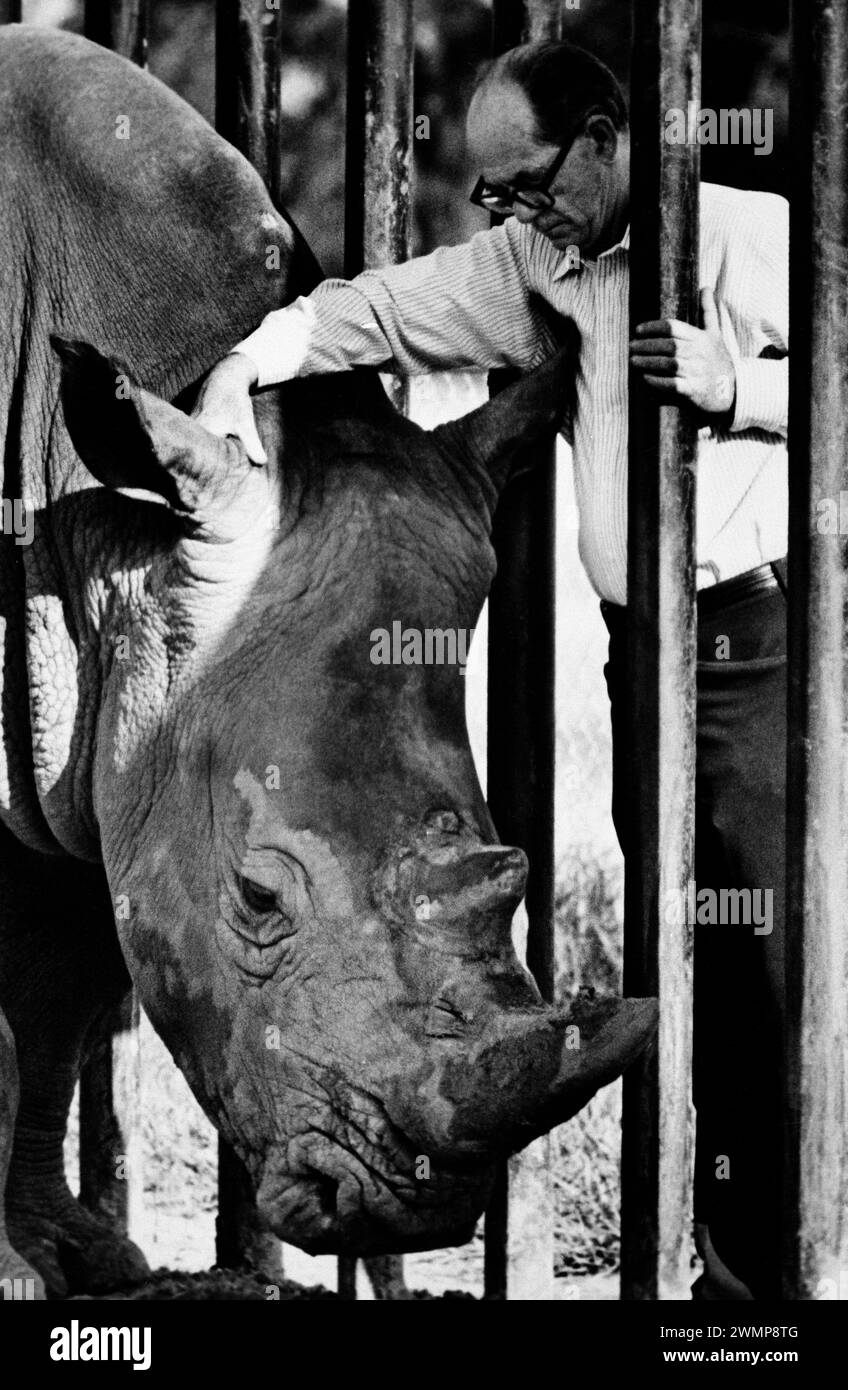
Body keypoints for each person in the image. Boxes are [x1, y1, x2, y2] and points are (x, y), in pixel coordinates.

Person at [194, 40, 789, 1301]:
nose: (512, 212)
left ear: (604, 136)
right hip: (645, 654)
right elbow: (395, 304)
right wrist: (265, 352)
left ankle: (797, 1249)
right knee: (681, 943)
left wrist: (733, 384)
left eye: (525, 183)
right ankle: (731, 1268)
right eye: (496, 196)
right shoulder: (542, 263)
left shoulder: (740, 233)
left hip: (751, 642)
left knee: (767, 954)